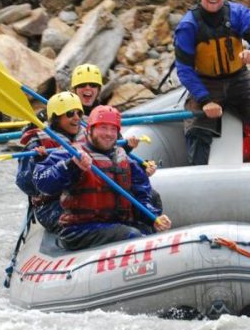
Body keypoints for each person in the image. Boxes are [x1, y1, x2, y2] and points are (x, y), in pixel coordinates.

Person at [174, 0, 250, 165]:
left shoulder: (238, 13)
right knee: (197, 131)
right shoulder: (188, 25)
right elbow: (184, 69)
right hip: (206, 82)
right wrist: (204, 100)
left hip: (239, 78)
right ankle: (199, 182)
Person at [33, 105, 172, 251]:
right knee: (132, 235)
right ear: (89, 130)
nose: (108, 134)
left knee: (147, 225)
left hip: (116, 224)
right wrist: (71, 165)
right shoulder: (72, 153)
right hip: (80, 230)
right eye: (103, 128)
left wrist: (154, 218)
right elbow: (41, 181)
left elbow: (142, 196)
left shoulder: (125, 159)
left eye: (113, 129)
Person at [16, 92, 86, 233]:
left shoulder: (88, 134)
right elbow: (25, 185)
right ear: (55, 118)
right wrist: (38, 163)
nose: (76, 118)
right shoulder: (37, 143)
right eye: (70, 113)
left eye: (79, 113)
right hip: (51, 205)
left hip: (84, 194)